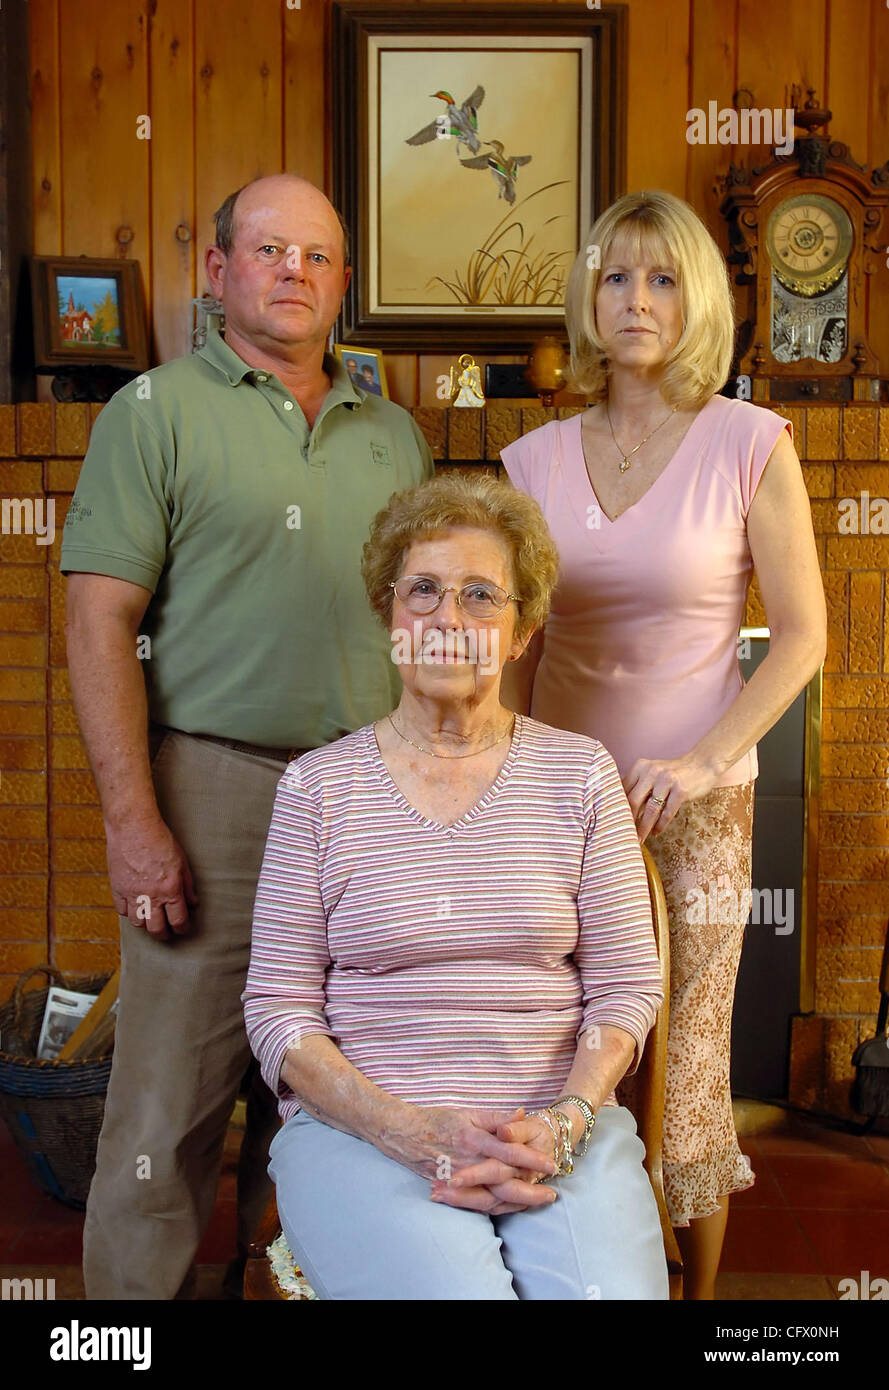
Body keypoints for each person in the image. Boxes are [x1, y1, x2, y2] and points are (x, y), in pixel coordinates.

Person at [59, 173, 435, 1299]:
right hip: (212, 789)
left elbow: (422, 628)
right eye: (269, 251)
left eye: (317, 257)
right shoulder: (155, 412)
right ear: (218, 270)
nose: (294, 274)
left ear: (344, 285)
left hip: (368, 798)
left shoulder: (396, 434)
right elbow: (94, 617)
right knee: (166, 1109)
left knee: (344, 1102)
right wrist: (133, 821)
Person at [499, 190, 826, 1299]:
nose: (636, 300)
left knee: (687, 1059)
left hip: (696, 807)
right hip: (552, 804)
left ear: (698, 300)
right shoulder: (531, 459)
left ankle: (700, 1298)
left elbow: (802, 640)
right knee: (561, 1043)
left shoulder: (747, 441)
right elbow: (513, 652)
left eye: (663, 277)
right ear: (587, 298)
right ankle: (560, 1261)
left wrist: (696, 763)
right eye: (614, 277)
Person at [243, 472, 668, 1300]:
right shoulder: (317, 789)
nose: (448, 619)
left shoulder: (579, 776)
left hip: (558, 1133)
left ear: (521, 632)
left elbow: (624, 990)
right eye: (424, 591)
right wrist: (402, 1128)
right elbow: (278, 1012)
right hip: (362, 1135)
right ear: (389, 616)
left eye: (481, 595)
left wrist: (566, 1121)